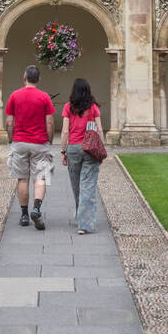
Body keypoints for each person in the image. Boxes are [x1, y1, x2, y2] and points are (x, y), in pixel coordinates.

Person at [4, 65, 56, 230]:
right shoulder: (44, 97)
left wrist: (11, 138)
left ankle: (24, 215)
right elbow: (49, 121)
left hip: (20, 142)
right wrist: (49, 139)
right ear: (39, 79)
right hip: (39, 143)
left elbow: (9, 121)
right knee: (40, 178)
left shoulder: (15, 95)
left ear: (24, 77)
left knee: (23, 179)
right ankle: (37, 208)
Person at [60, 78, 103, 234]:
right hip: (90, 149)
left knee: (77, 185)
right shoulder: (93, 108)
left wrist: (63, 151)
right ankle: (84, 223)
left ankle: (81, 217)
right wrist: (101, 149)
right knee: (88, 186)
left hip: (74, 148)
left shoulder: (68, 107)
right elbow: (99, 130)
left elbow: (65, 132)